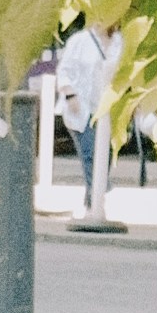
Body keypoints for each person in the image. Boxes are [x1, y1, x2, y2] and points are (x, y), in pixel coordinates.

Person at [53, 13, 115, 224]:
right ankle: (94, 203)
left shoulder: (120, 42)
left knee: (104, 157)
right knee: (90, 153)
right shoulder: (80, 41)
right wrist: (70, 94)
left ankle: (94, 198)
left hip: (107, 110)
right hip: (82, 109)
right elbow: (64, 71)